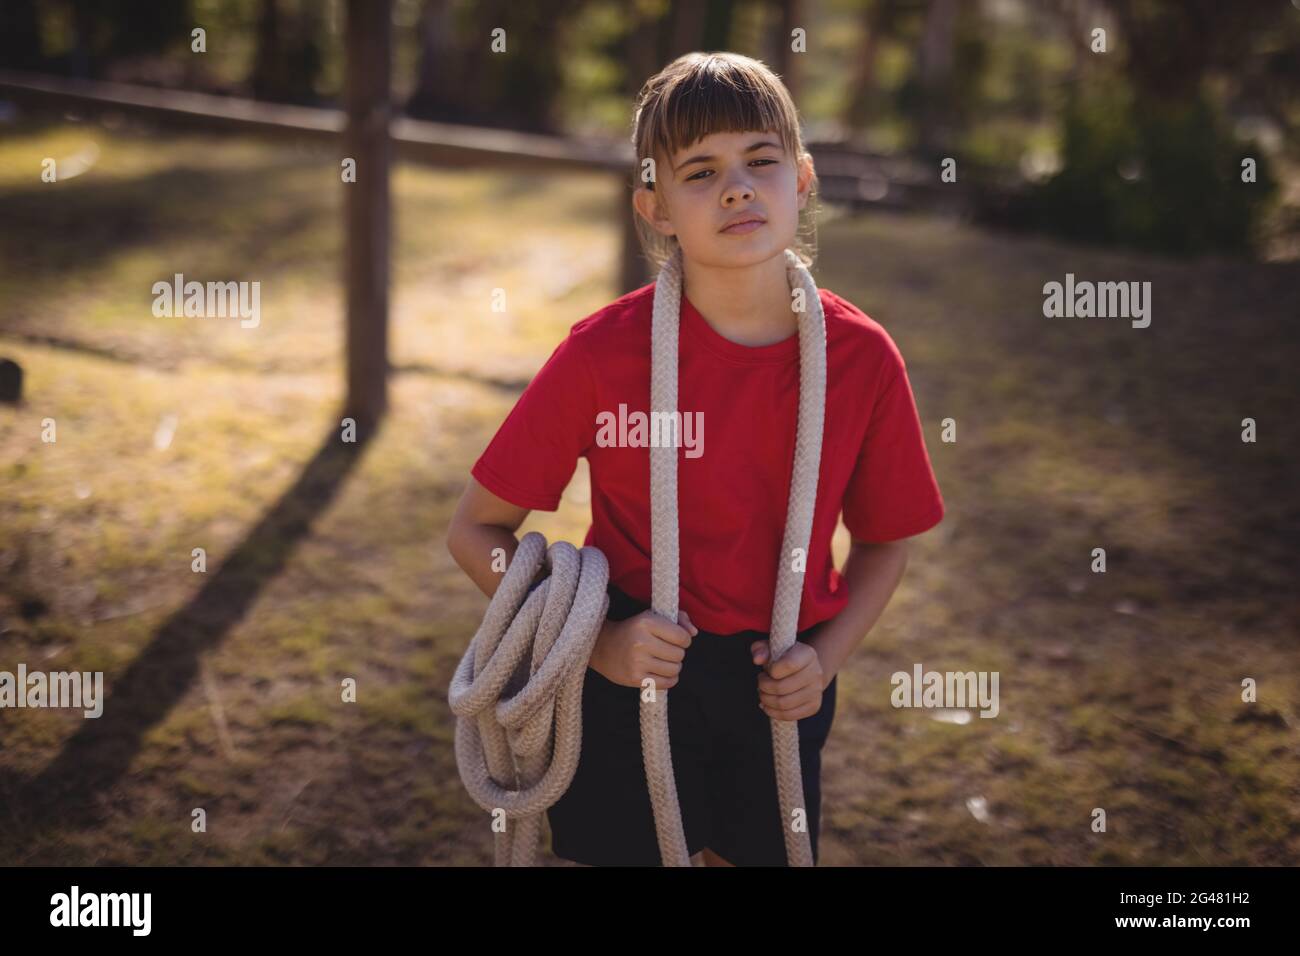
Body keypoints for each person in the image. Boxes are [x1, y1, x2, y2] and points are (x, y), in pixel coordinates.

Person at [446, 51, 945, 866]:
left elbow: (888, 540)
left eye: (761, 161)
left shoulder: (862, 359)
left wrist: (825, 659)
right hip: (629, 669)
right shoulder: (602, 355)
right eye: (702, 170)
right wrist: (600, 645)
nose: (738, 187)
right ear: (656, 207)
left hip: (781, 679)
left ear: (804, 178)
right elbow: (477, 529)